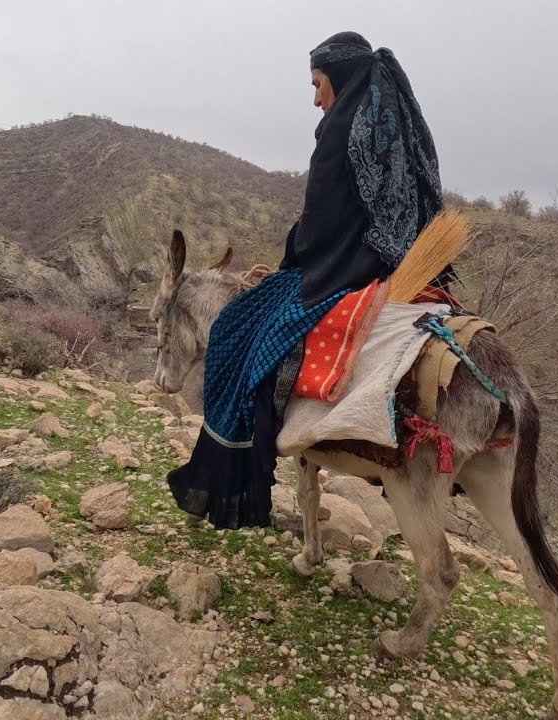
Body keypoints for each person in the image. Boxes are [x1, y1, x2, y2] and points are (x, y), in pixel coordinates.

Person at [167, 31, 446, 529]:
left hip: (340, 269)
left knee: (237, 328)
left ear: (339, 79)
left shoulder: (340, 134)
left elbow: (319, 224)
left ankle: (237, 472)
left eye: (318, 84)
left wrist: (294, 256)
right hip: (382, 262)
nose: (315, 97)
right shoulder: (384, 132)